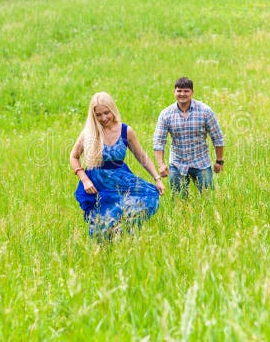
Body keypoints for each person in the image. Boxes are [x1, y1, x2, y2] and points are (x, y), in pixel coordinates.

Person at [70, 92, 165, 238]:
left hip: (120, 181)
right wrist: (84, 179)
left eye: (106, 113)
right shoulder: (88, 133)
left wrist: (157, 178)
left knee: (151, 195)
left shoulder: (126, 131)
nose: (103, 118)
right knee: (100, 229)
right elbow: (74, 156)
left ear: (112, 109)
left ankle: (123, 233)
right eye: (98, 115)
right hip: (97, 184)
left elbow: (141, 156)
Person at [153, 77, 224, 198]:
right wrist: (161, 165)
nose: (182, 94)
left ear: (192, 92)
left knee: (208, 200)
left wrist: (219, 161)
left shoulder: (205, 111)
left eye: (186, 91)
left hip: (201, 163)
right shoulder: (166, 114)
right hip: (177, 164)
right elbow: (159, 142)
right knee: (178, 202)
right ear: (174, 92)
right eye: (179, 91)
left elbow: (217, 138)